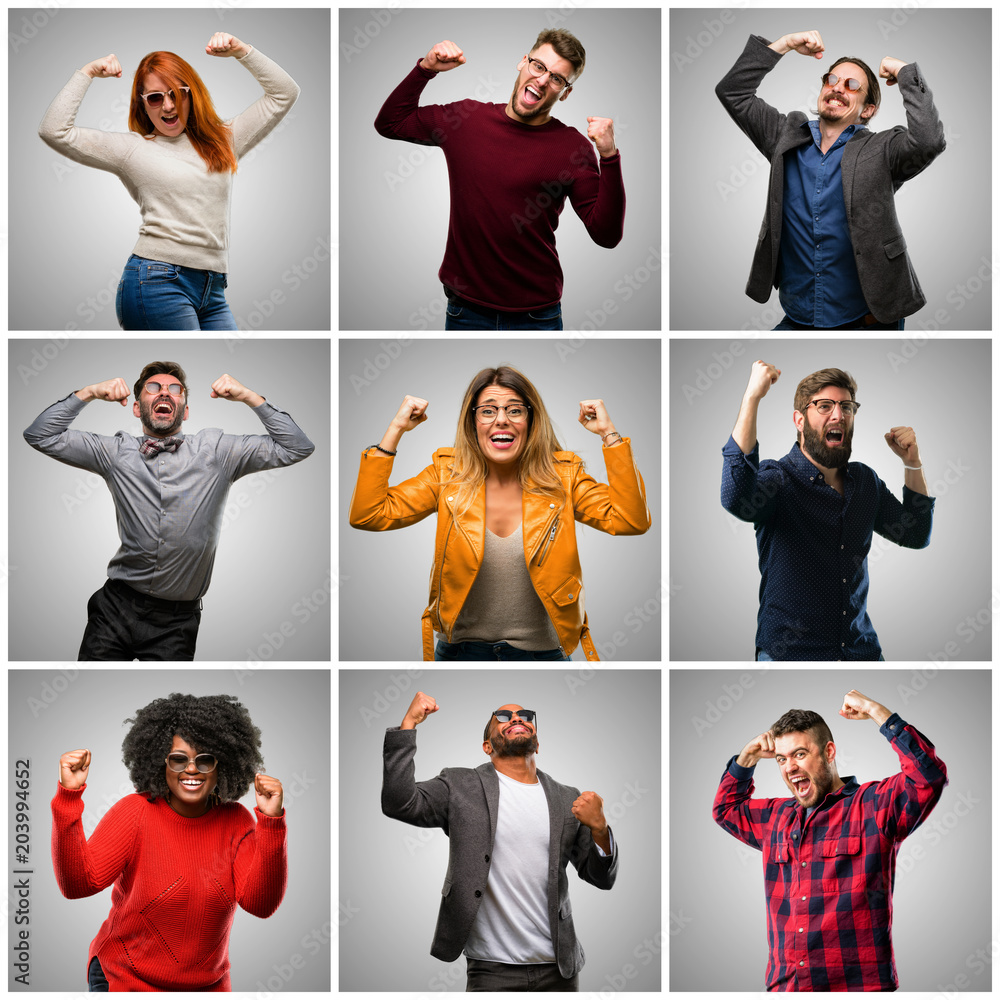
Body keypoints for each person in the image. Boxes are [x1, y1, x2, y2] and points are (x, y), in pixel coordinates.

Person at [349, 365, 650, 660]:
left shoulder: (564, 478)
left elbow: (630, 520)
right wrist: (395, 430)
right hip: (458, 652)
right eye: (488, 410)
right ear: (473, 422)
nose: (501, 420)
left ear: (531, 420)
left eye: (515, 410)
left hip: (542, 653)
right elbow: (369, 514)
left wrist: (609, 434)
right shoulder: (445, 475)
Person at [23, 361, 315, 660]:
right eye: (154, 388)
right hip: (115, 608)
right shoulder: (115, 452)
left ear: (184, 411)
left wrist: (248, 396)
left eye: (175, 390)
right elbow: (40, 435)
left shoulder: (217, 451)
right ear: (137, 408)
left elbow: (296, 447)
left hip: (175, 624)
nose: (165, 393)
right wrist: (88, 393)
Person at [38, 32, 299, 330]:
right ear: (143, 104)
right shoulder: (133, 149)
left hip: (213, 290)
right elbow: (53, 130)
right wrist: (87, 73)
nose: (168, 106)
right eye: (155, 97)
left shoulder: (223, 140)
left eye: (176, 92)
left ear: (192, 94)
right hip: (156, 281)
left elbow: (284, 93)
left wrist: (241, 50)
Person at [374, 29, 625, 330]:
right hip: (465, 310)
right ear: (523, 62)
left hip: (538, 315)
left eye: (557, 78)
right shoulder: (465, 120)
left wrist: (609, 155)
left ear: (565, 92)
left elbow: (606, 235)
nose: (543, 80)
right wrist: (425, 69)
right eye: (539, 66)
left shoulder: (573, 148)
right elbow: (390, 123)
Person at [713, 689, 947, 990]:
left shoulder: (873, 806)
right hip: (787, 987)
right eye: (781, 759)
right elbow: (725, 809)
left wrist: (879, 713)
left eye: (800, 754)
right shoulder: (776, 817)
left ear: (829, 752)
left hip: (857, 988)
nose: (789, 767)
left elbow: (928, 777)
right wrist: (746, 758)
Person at [52, 692, 287, 992]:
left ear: (222, 766)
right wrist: (67, 799)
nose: (191, 769)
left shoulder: (237, 821)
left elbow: (261, 904)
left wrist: (271, 822)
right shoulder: (135, 813)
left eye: (204, 760)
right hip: (125, 979)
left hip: (208, 987)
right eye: (178, 759)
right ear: (160, 762)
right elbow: (77, 885)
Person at [383, 692, 617, 991]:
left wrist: (600, 828)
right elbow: (398, 803)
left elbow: (601, 878)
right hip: (491, 970)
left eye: (525, 716)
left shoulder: (567, 798)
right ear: (487, 746)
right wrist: (408, 725)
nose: (517, 718)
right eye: (503, 717)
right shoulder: (459, 785)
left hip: (559, 969)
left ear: (537, 741)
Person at [716, 30, 946, 329]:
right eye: (831, 80)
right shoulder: (785, 135)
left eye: (852, 86)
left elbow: (929, 140)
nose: (838, 88)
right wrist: (783, 45)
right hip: (798, 312)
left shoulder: (883, 149)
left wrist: (905, 74)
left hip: (868, 316)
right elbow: (733, 91)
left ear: (868, 110)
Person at [721, 361, 934, 660]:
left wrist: (913, 463)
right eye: (824, 406)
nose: (839, 414)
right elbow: (736, 498)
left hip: (862, 653)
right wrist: (752, 397)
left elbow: (915, 533)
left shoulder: (865, 481)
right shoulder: (779, 479)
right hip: (790, 656)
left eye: (847, 407)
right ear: (799, 420)